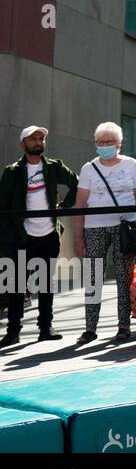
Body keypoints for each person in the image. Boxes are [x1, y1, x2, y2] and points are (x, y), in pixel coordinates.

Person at [0, 127, 79, 346]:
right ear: (22, 144)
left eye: (41, 138)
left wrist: (63, 205)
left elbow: (76, 182)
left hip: (48, 234)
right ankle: (13, 331)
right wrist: (11, 232)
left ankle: (46, 327)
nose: (38, 141)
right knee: (16, 285)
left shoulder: (54, 167)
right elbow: (3, 205)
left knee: (45, 283)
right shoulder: (12, 171)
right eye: (33, 138)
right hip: (22, 236)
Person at [73, 122, 136, 344]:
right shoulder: (88, 168)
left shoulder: (131, 164)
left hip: (125, 226)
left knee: (124, 277)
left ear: (119, 144)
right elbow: (81, 203)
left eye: (110, 142)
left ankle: (124, 325)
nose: (105, 146)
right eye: (101, 142)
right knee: (93, 277)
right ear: (95, 144)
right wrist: (78, 237)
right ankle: (90, 327)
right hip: (94, 227)